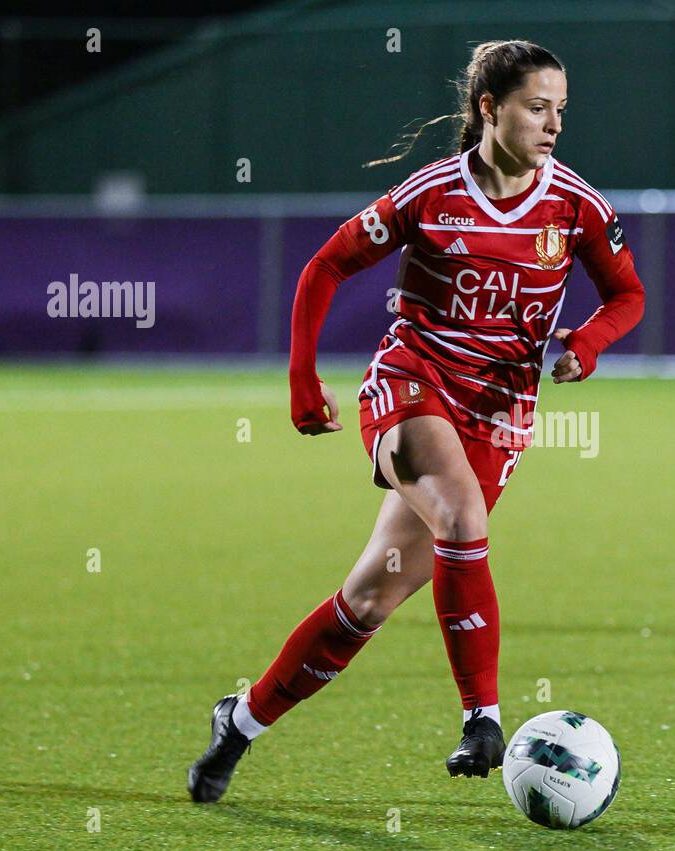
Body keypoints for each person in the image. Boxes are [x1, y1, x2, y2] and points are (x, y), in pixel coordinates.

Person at [187, 40, 644, 801]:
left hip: (498, 421)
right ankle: (482, 717)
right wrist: (302, 378)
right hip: (411, 387)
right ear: (489, 108)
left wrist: (587, 345)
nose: (553, 123)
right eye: (538, 106)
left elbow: (627, 295)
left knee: (367, 601)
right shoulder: (432, 192)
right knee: (462, 520)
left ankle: (241, 722)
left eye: (561, 109)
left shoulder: (577, 206)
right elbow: (324, 265)